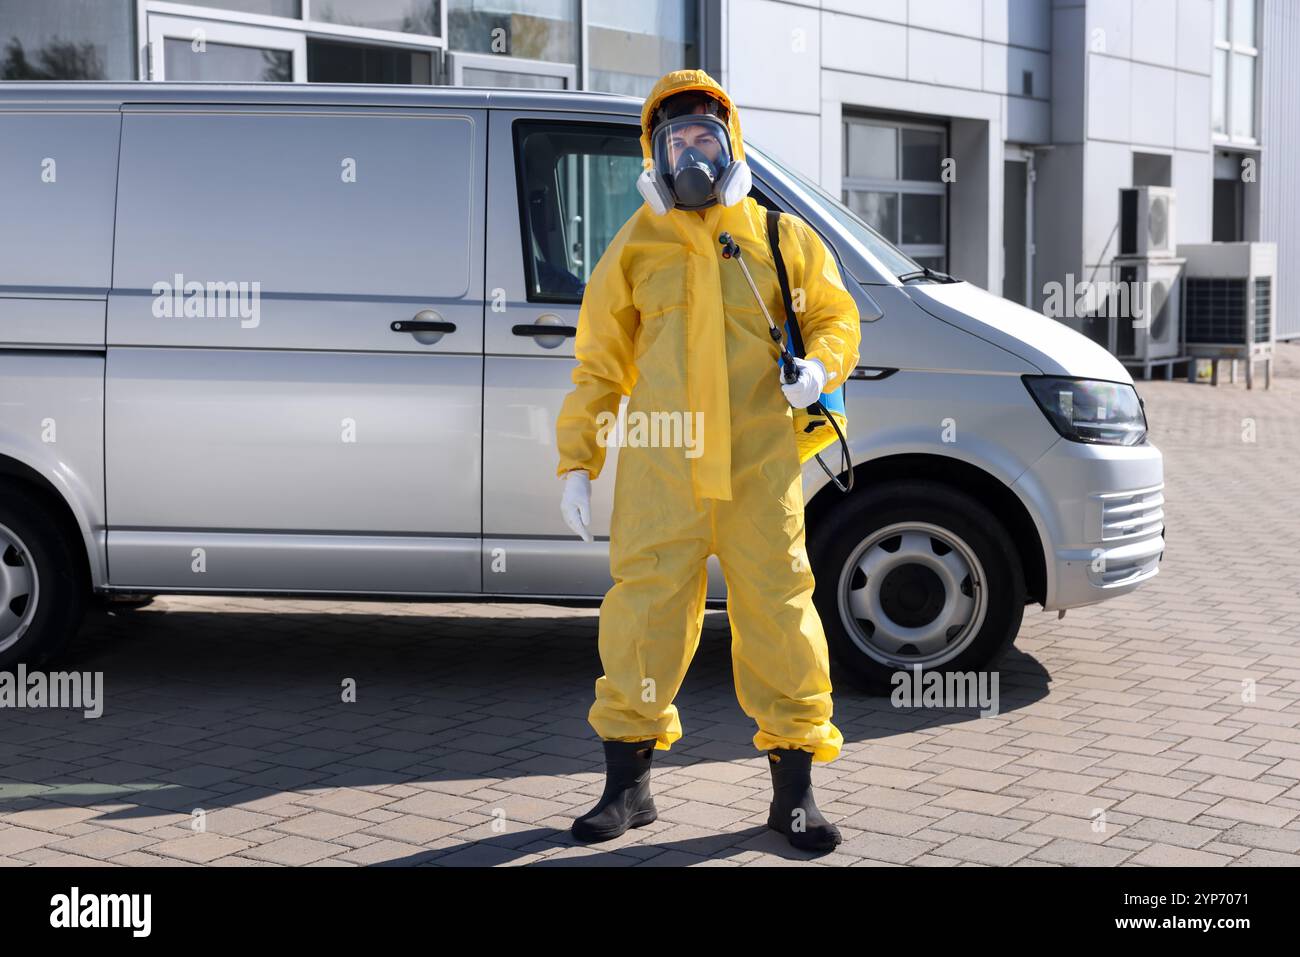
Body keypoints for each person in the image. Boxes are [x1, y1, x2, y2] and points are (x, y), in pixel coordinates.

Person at [555, 69, 861, 852]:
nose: (691, 153)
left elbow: (835, 318)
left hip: (761, 468)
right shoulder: (634, 246)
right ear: (653, 158)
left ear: (731, 146)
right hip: (663, 473)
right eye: (676, 141)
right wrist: (576, 462)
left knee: (781, 617)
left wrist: (819, 370)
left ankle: (794, 796)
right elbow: (599, 365)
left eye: (705, 138)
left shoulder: (780, 239)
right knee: (643, 617)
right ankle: (628, 789)